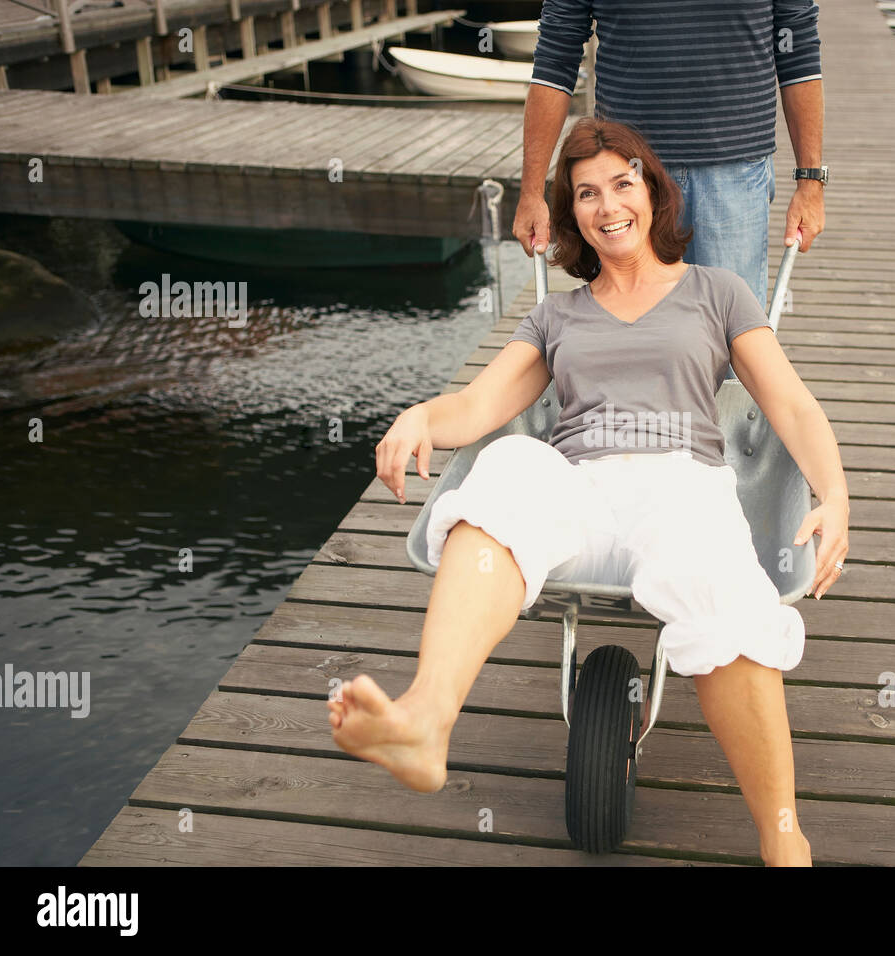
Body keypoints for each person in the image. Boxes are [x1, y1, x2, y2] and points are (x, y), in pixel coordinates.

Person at [328, 119, 849, 867]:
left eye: (621, 184)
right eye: (585, 194)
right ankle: (424, 722)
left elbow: (792, 406)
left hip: (682, 483)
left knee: (719, 578)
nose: (607, 207)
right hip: (580, 485)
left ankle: (782, 835)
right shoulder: (556, 315)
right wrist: (420, 416)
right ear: (570, 213)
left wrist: (834, 495)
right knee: (506, 466)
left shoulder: (716, 292)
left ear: (651, 190)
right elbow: (477, 408)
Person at [513, 0, 827, 311]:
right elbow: (556, 58)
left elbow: (797, 47)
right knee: (631, 335)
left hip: (734, 177)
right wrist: (530, 192)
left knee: (733, 337)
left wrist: (810, 182)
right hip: (628, 175)